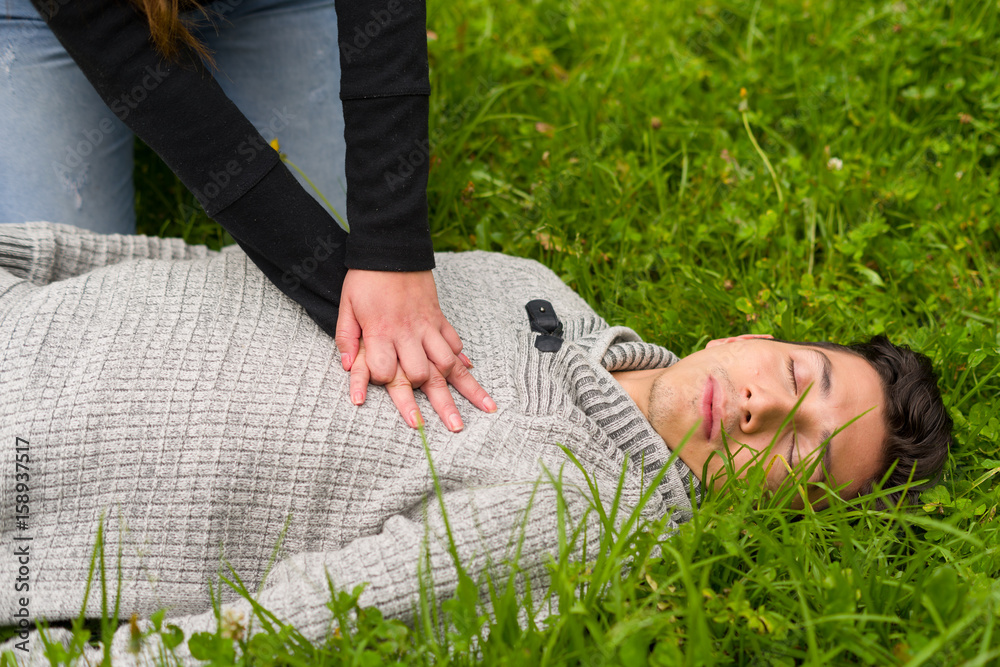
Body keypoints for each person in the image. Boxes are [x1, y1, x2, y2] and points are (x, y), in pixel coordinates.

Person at [0, 222, 952, 664]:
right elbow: (244, 269)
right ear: (752, 338)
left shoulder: (588, 522)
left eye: (803, 453)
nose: (763, 411)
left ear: (779, 516)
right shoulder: (530, 280)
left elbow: (303, 623)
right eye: (794, 376)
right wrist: (34, 254)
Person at [0, 0, 491, 434]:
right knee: (61, 328)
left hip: (265, 6)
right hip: (66, 18)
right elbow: (134, 66)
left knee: (344, 246)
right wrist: (335, 289)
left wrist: (388, 251)